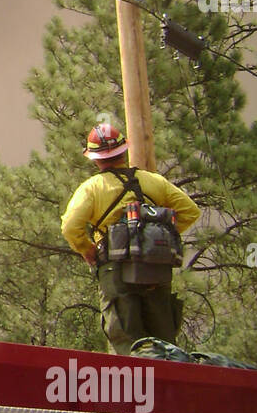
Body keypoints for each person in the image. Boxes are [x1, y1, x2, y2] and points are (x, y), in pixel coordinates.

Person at [61, 123, 200, 354]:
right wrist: (160, 239)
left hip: (115, 272)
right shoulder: (154, 182)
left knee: (126, 344)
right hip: (156, 268)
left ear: (95, 159)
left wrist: (87, 249)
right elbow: (190, 211)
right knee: (164, 343)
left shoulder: (92, 188)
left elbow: (70, 226)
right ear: (124, 151)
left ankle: (133, 389)